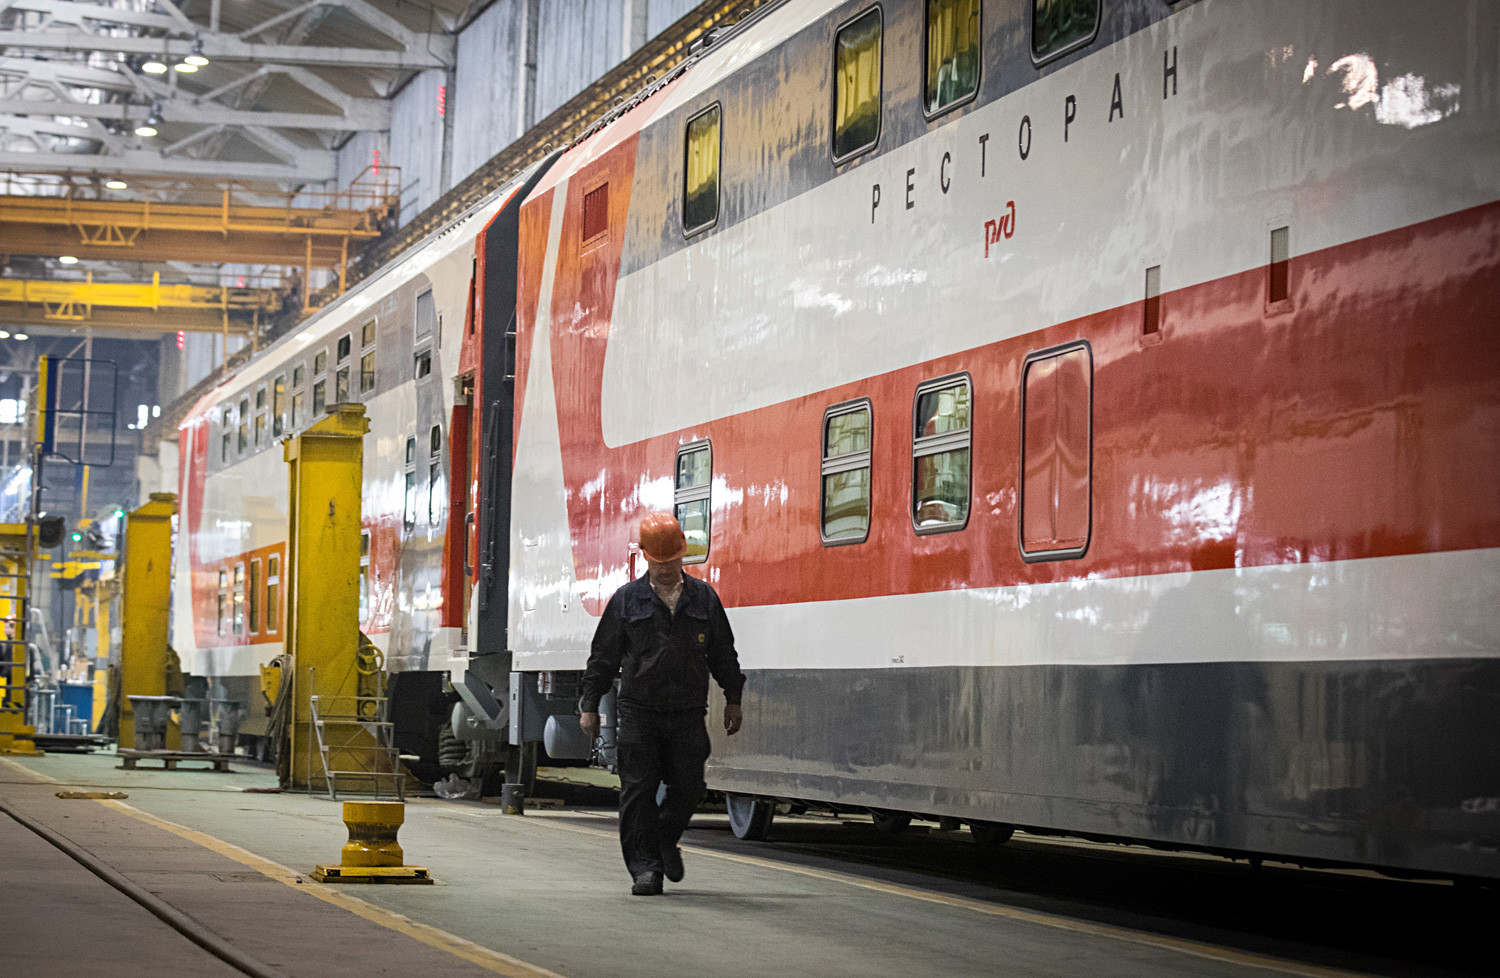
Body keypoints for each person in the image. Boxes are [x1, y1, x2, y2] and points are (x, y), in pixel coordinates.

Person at [579, 512, 745, 896]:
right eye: (661, 562)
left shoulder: (703, 598)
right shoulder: (626, 600)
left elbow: (723, 654)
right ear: (646, 558)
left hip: (687, 713)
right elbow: (602, 657)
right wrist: (590, 705)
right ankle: (646, 869)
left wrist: (733, 698)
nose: (668, 568)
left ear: (682, 557)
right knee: (637, 792)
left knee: (690, 788)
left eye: (674, 561)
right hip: (639, 713)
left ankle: (664, 840)